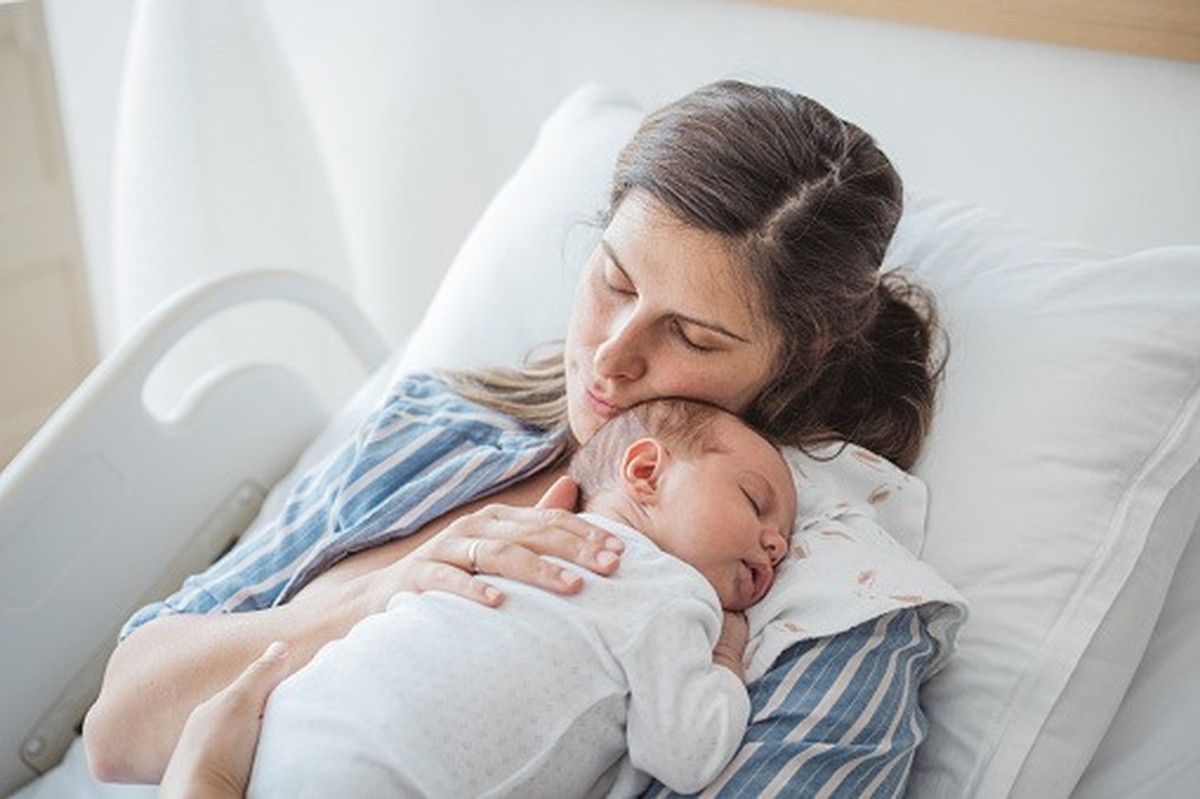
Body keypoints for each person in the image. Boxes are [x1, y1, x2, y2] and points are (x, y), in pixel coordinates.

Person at [84, 79, 943, 795]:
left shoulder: (824, 601)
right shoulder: (439, 430)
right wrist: (371, 600)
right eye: (612, 280)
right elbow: (119, 728)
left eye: (692, 336)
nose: (611, 357)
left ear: (794, 364)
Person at [244, 399, 796, 797]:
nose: (775, 544)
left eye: (786, 541)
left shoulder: (517, 541)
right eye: (754, 501)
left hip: (291, 728)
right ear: (646, 472)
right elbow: (690, 754)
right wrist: (723, 658)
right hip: (392, 774)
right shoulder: (668, 593)